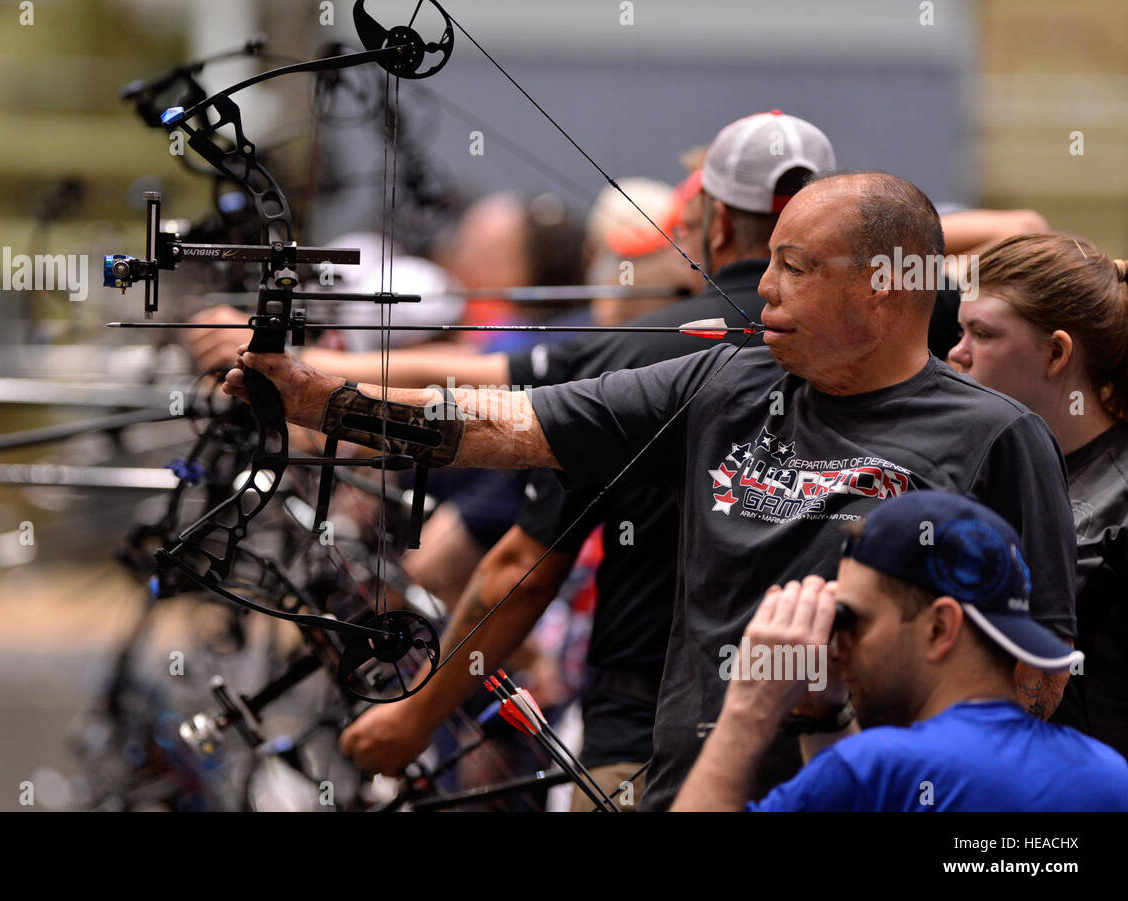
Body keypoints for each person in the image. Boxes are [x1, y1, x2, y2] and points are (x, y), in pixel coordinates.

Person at [224, 168, 1079, 811]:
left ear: (887, 287)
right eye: (769, 259)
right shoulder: (720, 383)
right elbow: (500, 421)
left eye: (797, 266)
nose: (766, 288)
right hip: (689, 786)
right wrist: (317, 400)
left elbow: (1042, 671)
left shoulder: (995, 437)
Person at [339, 111, 832, 809]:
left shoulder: (627, 353)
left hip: (646, 750)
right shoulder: (902, 329)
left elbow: (520, 568)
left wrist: (414, 717)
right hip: (835, 747)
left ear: (714, 225)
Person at [671, 491, 1128, 811]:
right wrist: (824, 716)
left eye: (851, 619)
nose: (838, 646)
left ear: (938, 628)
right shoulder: (1107, 776)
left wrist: (747, 713)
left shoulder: (876, 770)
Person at [948, 234, 1128, 755]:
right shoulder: (974, 461)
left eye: (981, 334)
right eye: (960, 330)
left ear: (1056, 353)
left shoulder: (1119, 501)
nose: (955, 353)